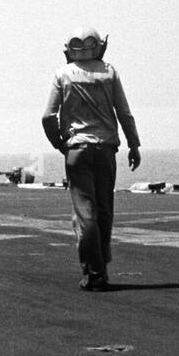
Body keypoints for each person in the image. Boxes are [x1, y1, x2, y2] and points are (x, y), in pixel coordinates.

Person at [41, 27, 141, 291]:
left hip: (77, 151)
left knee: (85, 214)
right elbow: (124, 112)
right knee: (104, 211)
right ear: (99, 46)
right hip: (106, 151)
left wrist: (60, 144)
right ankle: (102, 266)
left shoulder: (62, 75)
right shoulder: (110, 72)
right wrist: (134, 144)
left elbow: (48, 117)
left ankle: (94, 273)